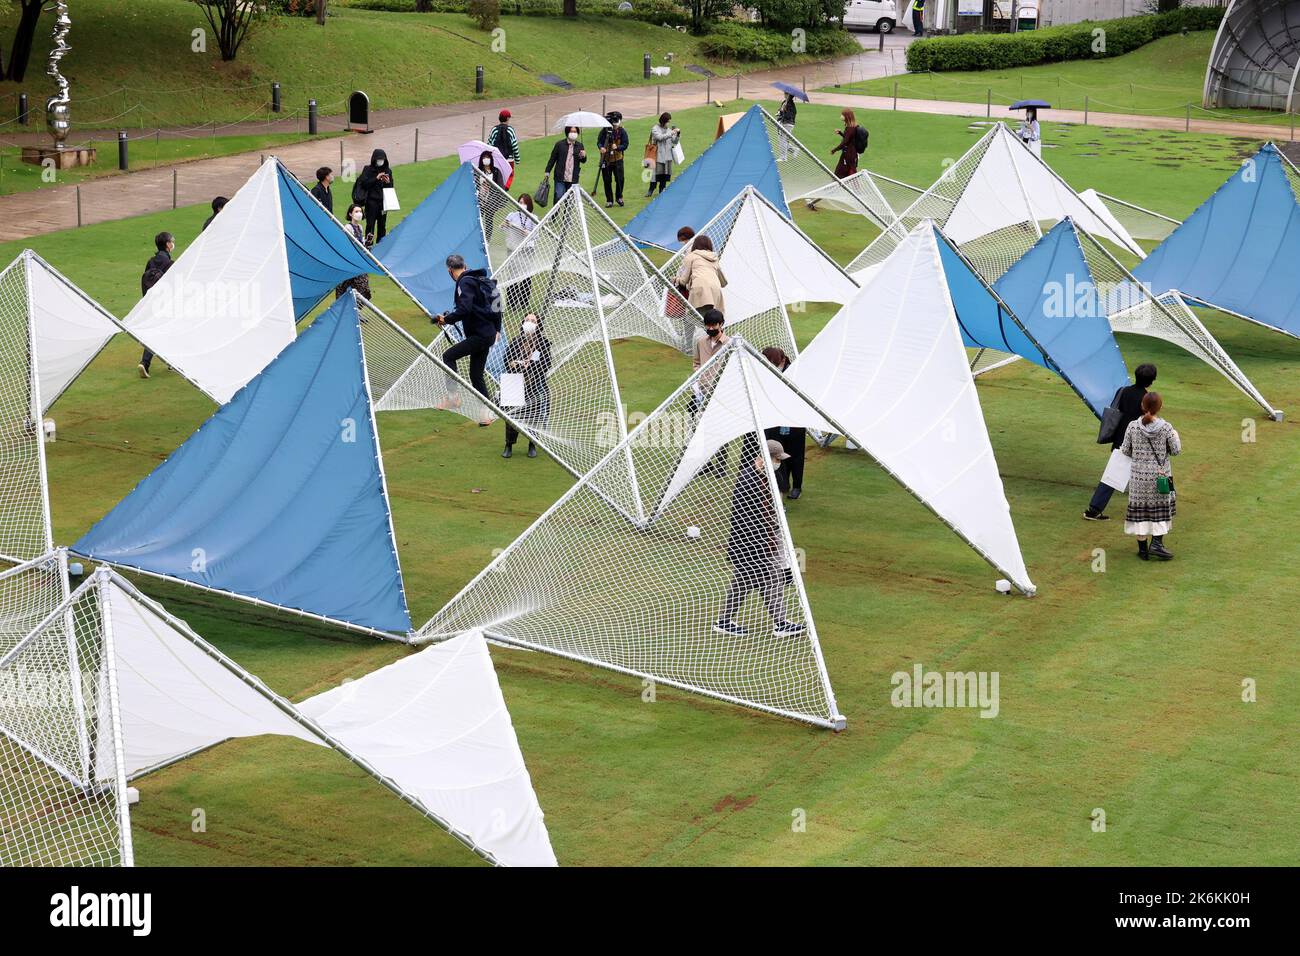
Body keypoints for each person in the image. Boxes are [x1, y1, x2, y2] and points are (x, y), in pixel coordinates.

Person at [713, 438, 807, 638]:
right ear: (765, 457)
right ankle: (780, 624)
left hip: (756, 543)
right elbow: (743, 516)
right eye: (776, 459)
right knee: (770, 579)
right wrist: (764, 541)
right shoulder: (749, 479)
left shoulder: (765, 475)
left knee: (745, 582)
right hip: (751, 543)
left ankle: (725, 621)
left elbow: (782, 489)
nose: (779, 463)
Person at [1085, 363, 1156, 521]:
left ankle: (1095, 509)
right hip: (1134, 442)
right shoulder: (1146, 398)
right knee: (1114, 476)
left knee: (1118, 474)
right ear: (1151, 381)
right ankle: (1093, 509)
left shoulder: (1123, 391)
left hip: (1120, 438)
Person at [435, 253, 499, 419]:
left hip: (479, 335)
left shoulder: (464, 282)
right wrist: (497, 328)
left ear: (450, 270)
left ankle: (452, 398)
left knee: (448, 356)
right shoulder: (483, 280)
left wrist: (446, 319)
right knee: (476, 374)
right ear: (465, 265)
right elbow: (497, 304)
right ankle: (486, 413)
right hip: (489, 333)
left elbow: (465, 309)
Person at [1120, 391, 1181, 561]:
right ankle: (1157, 544)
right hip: (1161, 476)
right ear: (1159, 407)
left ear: (1142, 406)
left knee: (1140, 513)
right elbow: (1176, 450)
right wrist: (1176, 437)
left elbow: (1125, 449)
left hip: (1138, 478)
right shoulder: (1167, 428)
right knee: (1160, 512)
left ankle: (1143, 551)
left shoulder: (1133, 426)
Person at [501, 312, 552, 459]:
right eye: (527, 320)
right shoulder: (516, 341)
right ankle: (509, 444)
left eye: (533, 321)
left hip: (533, 383)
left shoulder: (543, 343)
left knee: (533, 415)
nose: (530, 322)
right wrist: (516, 365)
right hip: (515, 383)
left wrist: (531, 366)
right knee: (512, 415)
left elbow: (547, 364)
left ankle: (532, 444)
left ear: (538, 325)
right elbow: (507, 360)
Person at [761, 347, 806, 500]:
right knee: (778, 456)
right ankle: (783, 486)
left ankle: (797, 487)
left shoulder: (795, 375)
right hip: (775, 423)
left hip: (794, 425)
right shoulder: (766, 376)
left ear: (783, 361)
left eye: (773, 364)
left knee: (796, 457)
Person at [136, 232, 175, 379]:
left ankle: (171, 362)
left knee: (164, 331)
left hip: (151, 303)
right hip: (165, 304)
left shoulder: (150, 261)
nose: (173, 243)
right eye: (172, 241)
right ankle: (145, 362)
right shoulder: (170, 264)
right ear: (167, 245)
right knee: (165, 331)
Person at [675, 234, 727, 314]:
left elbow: (684, 281)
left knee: (690, 318)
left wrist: (676, 280)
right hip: (715, 290)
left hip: (699, 288)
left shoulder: (691, 256)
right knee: (711, 320)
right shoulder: (714, 258)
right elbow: (723, 283)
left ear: (695, 245)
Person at [504, 193, 536, 308]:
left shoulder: (533, 217)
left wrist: (527, 233)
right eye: (520, 202)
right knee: (512, 275)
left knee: (525, 276)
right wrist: (506, 225)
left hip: (527, 250)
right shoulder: (512, 215)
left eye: (524, 203)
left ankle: (523, 303)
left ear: (529, 204)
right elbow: (502, 227)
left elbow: (537, 234)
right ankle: (511, 303)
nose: (522, 204)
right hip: (512, 248)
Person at [354, 148, 394, 243]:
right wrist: (376, 178)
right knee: (370, 224)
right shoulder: (368, 170)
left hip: (383, 203)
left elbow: (391, 187)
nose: (380, 161)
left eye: (382, 159)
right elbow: (364, 184)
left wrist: (387, 182)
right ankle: (369, 244)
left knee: (382, 225)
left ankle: (381, 245)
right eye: (378, 159)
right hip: (371, 202)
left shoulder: (388, 171)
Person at [334, 204, 372, 301]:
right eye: (356, 211)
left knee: (363, 288)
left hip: (358, 262)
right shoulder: (348, 227)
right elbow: (347, 245)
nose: (359, 213)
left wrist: (367, 242)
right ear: (350, 214)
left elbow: (361, 245)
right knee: (344, 288)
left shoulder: (360, 227)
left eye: (360, 211)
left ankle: (356, 309)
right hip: (349, 262)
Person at [596, 111, 629, 208]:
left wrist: (618, 147)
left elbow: (625, 144)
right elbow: (599, 142)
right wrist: (601, 147)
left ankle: (619, 197)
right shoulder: (604, 131)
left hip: (618, 159)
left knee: (620, 179)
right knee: (607, 180)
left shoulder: (622, 131)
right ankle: (609, 200)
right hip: (605, 159)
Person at [544, 126, 586, 204]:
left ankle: (566, 216)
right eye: (571, 131)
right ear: (567, 133)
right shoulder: (559, 144)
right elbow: (552, 159)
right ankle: (555, 215)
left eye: (575, 132)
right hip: (560, 177)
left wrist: (583, 156)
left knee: (570, 201)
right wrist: (547, 171)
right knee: (558, 196)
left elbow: (583, 161)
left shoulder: (580, 146)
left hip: (573, 178)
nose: (573, 133)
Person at [646, 112, 680, 198]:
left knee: (664, 174)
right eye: (668, 121)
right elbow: (660, 137)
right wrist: (671, 133)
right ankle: (651, 189)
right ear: (663, 121)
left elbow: (675, 142)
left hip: (667, 156)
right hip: (657, 155)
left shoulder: (669, 130)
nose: (669, 123)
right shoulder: (655, 128)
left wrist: (677, 134)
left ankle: (662, 189)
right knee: (655, 174)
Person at [487, 109, 520, 183]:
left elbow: (489, 145)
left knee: (497, 178)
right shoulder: (510, 130)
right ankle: (504, 190)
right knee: (508, 177)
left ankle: (499, 191)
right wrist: (517, 159)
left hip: (497, 159)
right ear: (507, 118)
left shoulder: (494, 129)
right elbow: (514, 145)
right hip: (509, 160)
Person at [831, 108, 863, 180]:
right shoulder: (852, 127)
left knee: (841, 173)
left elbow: (845, 142)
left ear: (847, 116)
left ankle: (837, 188)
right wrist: (840, 133)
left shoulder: (850, 128)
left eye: (842, 115)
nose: (841, 116)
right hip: (849, 154)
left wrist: (835, 150)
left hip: (849, 155)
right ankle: (852, 188)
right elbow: (849, 139)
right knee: (848, 173)